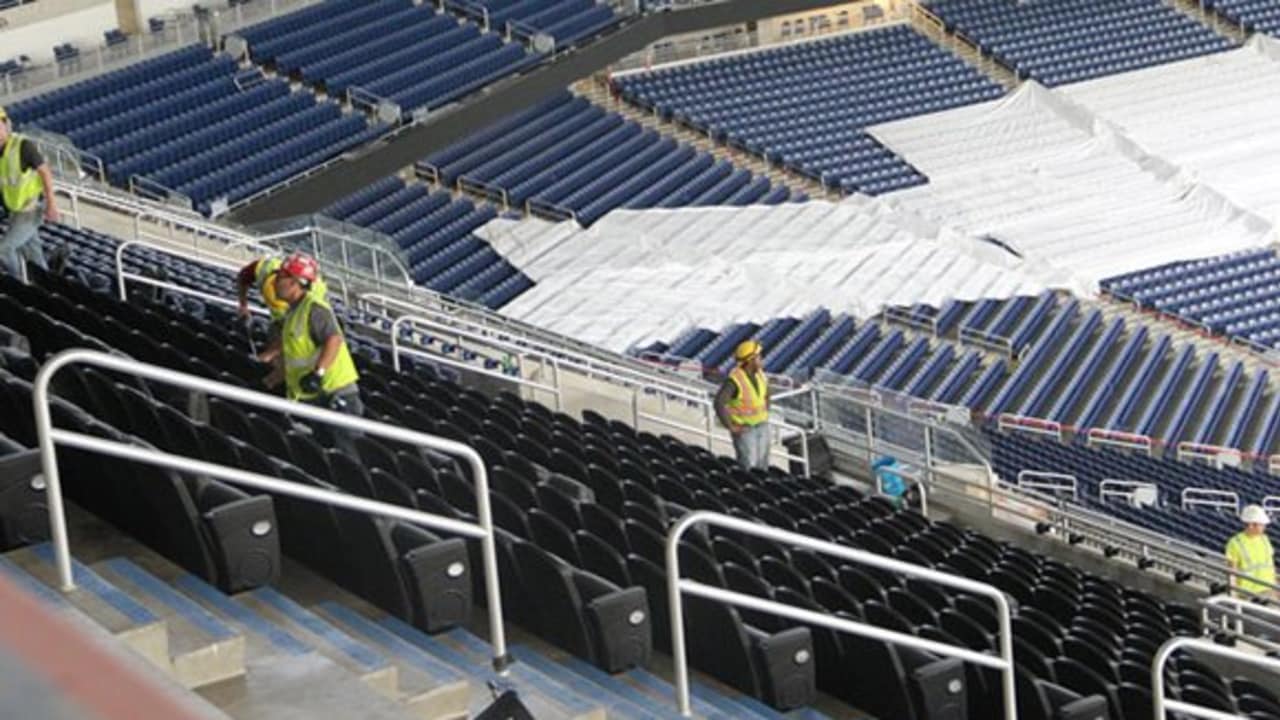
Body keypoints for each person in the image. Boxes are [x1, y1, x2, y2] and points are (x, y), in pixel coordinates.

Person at [270, 252, 363, 455]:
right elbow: (296, 357)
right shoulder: (294, 312)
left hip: (336, 395)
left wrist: (318, 373)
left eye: (281, 278)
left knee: (346, 455)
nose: (275, 282)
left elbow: (334, 339)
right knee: (327, 453)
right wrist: (270, 381)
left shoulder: (314, 309)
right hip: (316, 397)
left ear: (296, 283)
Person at [0, 105, 59, 279]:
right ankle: (47, 284)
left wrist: (51, 205)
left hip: (30, 210)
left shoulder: (23, 146)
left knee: (4, 250)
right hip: (15, 211)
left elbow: (45, 173)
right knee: (34, 255)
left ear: (6, 124)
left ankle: (22, 286)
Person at [714, 340, 770, 470]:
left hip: (762, 425)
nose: (761, 359)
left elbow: (766, 394)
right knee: (748, 466)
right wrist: (731, 426)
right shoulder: (735, 380)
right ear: (751, 360)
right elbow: (719, 403)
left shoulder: (761, 374)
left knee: (762, 465)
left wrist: (765, 412)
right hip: (745, 429)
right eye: (759, 356)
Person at [1226, 505, 1276, 599]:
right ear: (1250, 525)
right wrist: (1233, 595)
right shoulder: (1235, 542)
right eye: (1260, 524)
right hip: (1248, 593)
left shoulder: (1265, 539)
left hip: (1268, 589)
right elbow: (1232, 571)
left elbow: (1271, 565)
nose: (1263, 527)